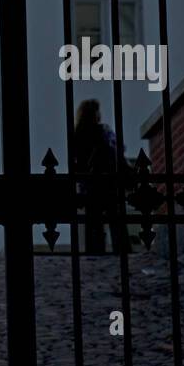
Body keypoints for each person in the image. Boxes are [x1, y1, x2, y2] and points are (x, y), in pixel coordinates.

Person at [74, 98, 122, 255]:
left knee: (93, 223)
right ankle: (121, 251)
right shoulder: (104, 131)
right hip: (107, 180)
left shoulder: (77, 135)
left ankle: (94, 253)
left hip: (89, 184)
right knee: (115, 221)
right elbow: (115, 151)